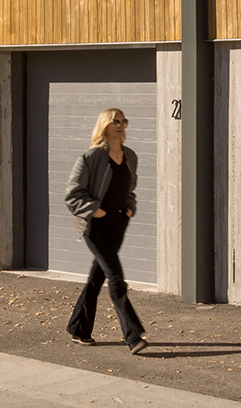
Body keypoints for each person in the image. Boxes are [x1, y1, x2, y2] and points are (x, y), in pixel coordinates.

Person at [62, 106, 148, 353]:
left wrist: (129, 208)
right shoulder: (90, 158)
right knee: (116, 279)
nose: (121, 125)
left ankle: (79, 328)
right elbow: (72, 195)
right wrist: (96, 211)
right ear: (104, 126)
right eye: (115, 121)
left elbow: (130, 188)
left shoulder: (130, 156)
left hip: (119, 224)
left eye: (123, 121)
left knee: (96, 278)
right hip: (96, 226)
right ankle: (133, 336)